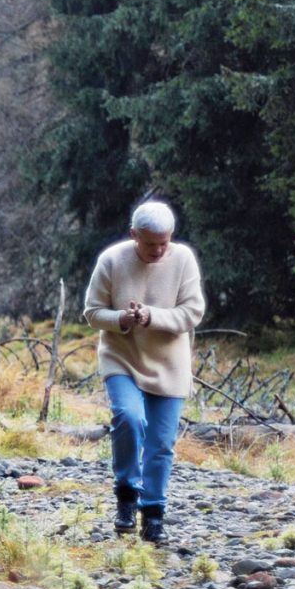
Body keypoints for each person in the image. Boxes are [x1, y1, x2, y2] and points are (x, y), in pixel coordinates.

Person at [82, 200, 206, 543]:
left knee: (161, 444)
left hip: (169, 364)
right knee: (128, 417)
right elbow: (92, 312)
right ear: (134, 235)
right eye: (150, 243)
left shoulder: (183, 259)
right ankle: (126, 494)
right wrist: (121, 319)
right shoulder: (112, 260)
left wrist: (152, 317)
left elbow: (192, 313)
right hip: (121, 357)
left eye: (164, 242)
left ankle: (153, 514)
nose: (158, 250)